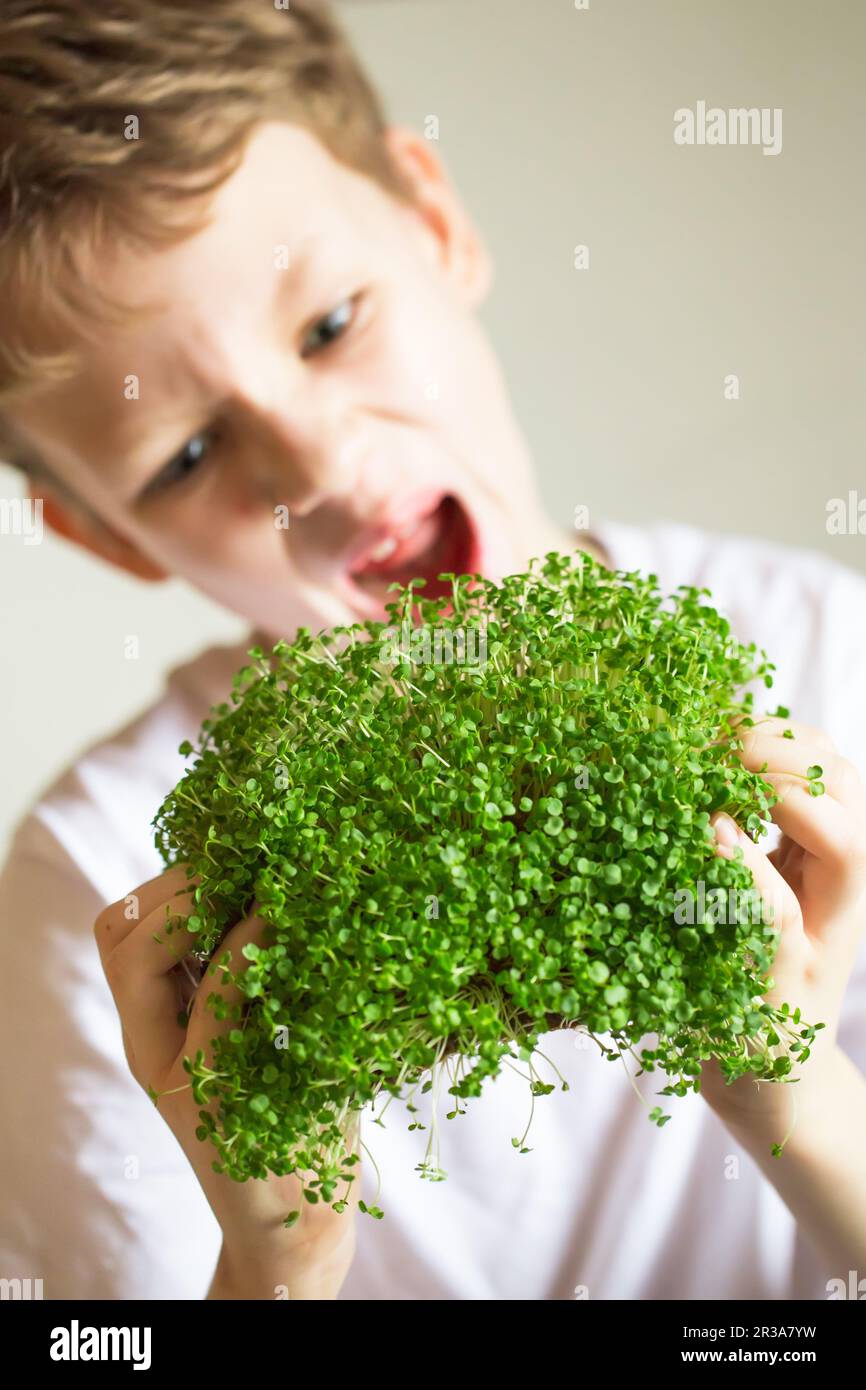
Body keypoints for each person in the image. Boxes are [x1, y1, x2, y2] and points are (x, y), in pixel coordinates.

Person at [1, 0, 864, 1301]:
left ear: (436, 222)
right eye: (184, 456)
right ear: (111, 540)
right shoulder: (107, 887)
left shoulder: (819, 649)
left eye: (332, 322)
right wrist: (273, 1259)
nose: (324, 468)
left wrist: (794, 1086)